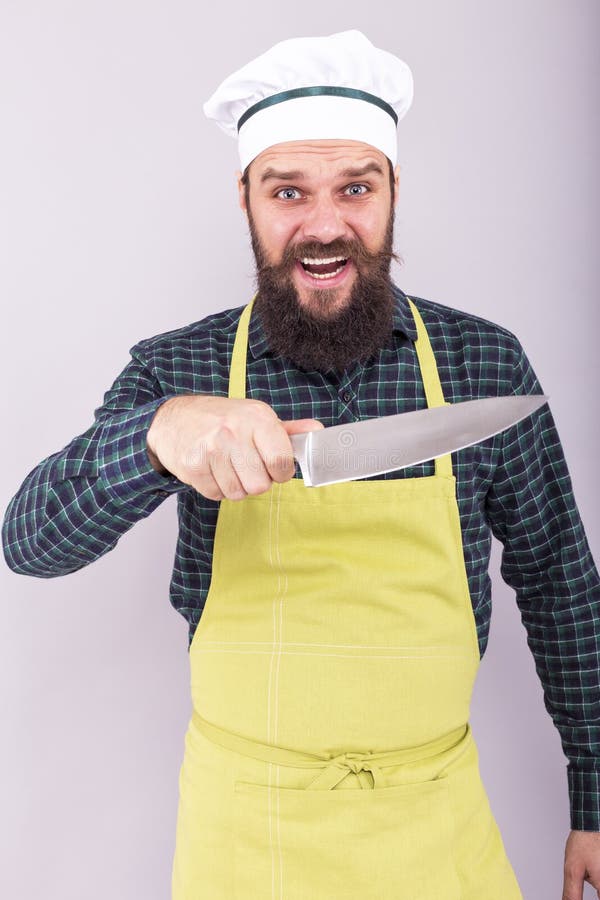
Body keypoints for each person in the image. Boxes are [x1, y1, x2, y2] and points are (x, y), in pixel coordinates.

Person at [2, 29, 599, 900]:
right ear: (245, 199)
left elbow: (559, 583)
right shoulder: (182, 371)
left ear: (395, 193)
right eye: (289, 192)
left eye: (356, 187)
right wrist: (154, 436)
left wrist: (593, 795)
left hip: (435, 825)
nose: (326, 226)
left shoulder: (482, 366)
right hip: (247, 834)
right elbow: (27, 542)